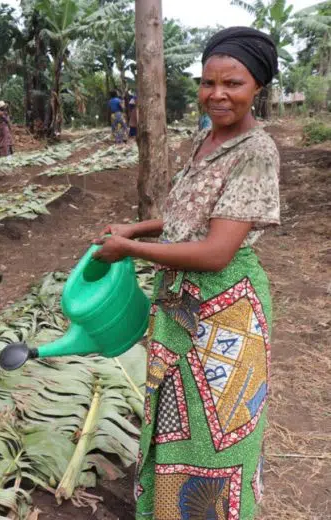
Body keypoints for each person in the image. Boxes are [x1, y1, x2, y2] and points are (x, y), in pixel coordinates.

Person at [94, 27, 280, 520]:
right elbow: (186, 217)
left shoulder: (256, 152)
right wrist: (140, 226)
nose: (217, 94)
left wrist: (132, 248)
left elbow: (218, 250)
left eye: (233, 84)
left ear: (257, 87)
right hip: (180, 303)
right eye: (207, 82)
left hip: (220, 312)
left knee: (209, 435)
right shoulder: (208, 138)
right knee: (174, 421)